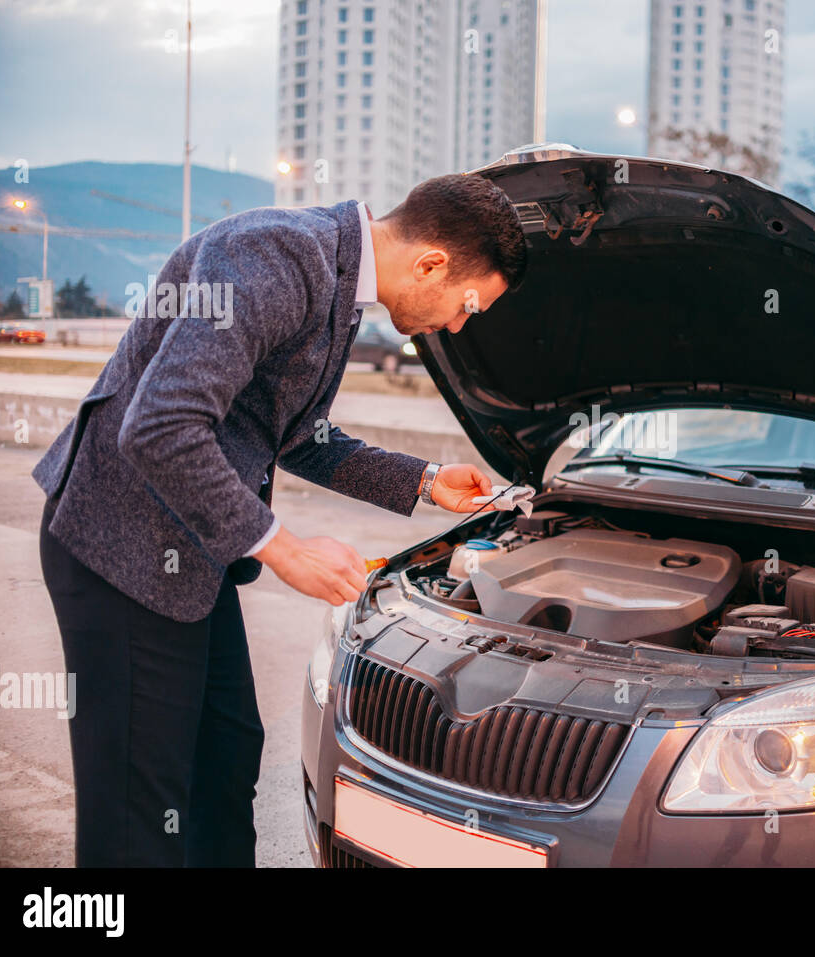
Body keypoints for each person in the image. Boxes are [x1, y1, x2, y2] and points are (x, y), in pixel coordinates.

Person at [32, 174, 528, 866]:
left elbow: (293, 435)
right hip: (122, 548)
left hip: (190, 553)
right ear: (432, 264)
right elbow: (160, 424)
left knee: (226, 762)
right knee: (138, 817)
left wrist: (423, 479)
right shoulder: (278, 256)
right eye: (467, 305)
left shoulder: (338, 284)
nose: (457, 325)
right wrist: (285, 550)